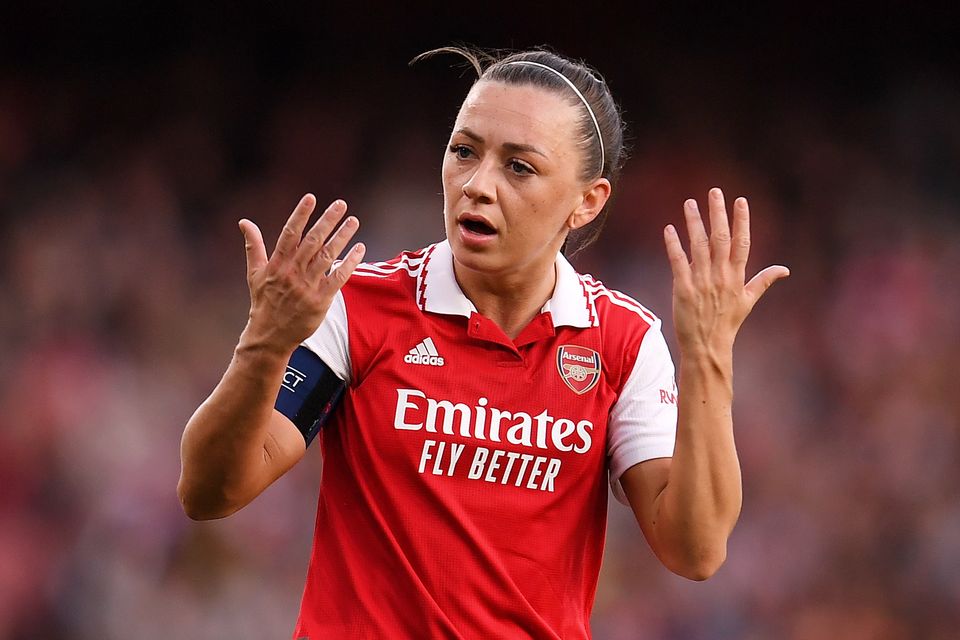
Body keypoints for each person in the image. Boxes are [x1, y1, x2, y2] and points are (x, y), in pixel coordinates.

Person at [177, 47, 789, 639]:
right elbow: (209, 492)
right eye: (464, 151)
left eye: (519, 167)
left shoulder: (623, 341)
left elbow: (695, 550)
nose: (477, 184)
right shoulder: (355, 305)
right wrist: (265, 342)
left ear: (587, 201)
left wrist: (708, 354)